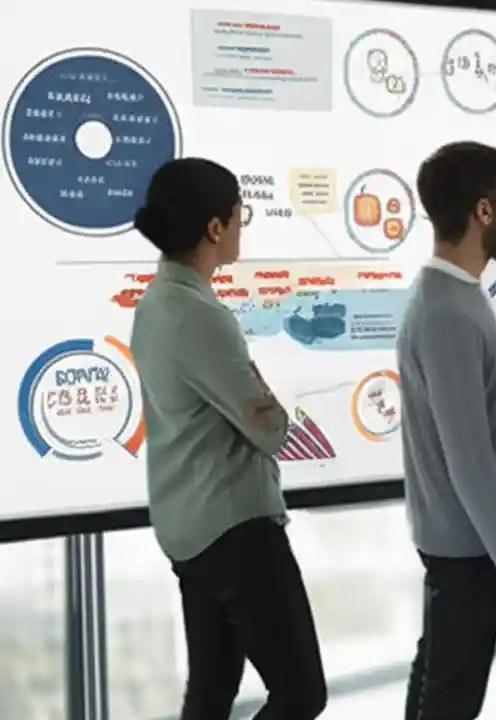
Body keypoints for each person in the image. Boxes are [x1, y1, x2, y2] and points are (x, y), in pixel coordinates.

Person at [129, 158, 327, 719]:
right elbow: (270, 429)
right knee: (300, 694)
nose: (244, 224)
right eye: (241, 213)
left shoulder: (154, 306)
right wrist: (263, 391)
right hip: (236, 529)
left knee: (213, 692)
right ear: (215, 227)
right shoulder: (198, 315)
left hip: (193, 530)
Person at [397, 141, 496, 720]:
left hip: (460, 546)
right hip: (469, 555)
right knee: (449, 704)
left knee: (437, 693)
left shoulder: (454, 296)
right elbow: (465, 460)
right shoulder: (447, 312)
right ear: (483, 211)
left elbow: (466, 435)